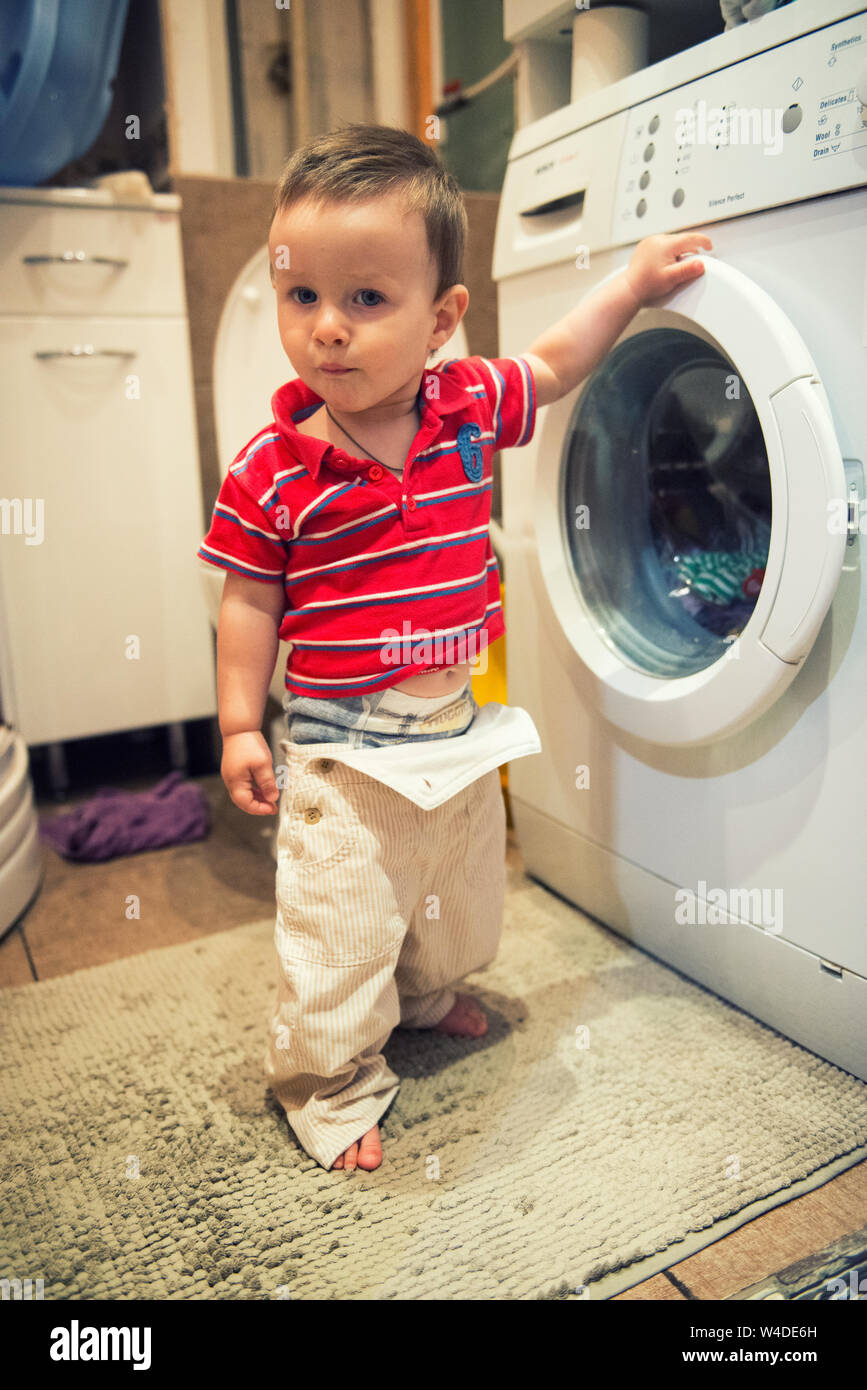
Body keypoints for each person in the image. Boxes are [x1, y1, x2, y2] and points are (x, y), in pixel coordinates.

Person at [197, 122, 712, 1173]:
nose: (326, 329)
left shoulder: (468, 403)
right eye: (303, 298)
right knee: (341, 924)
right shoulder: (274, 467)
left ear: (442, 320)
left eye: (365, 299)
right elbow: (248, 596)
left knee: (457, 894)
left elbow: (562, 362)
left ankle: (427, 996)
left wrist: (631, 285)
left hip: (455, 725)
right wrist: (241, 721)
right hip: (341, 754)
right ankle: (329, 1083)